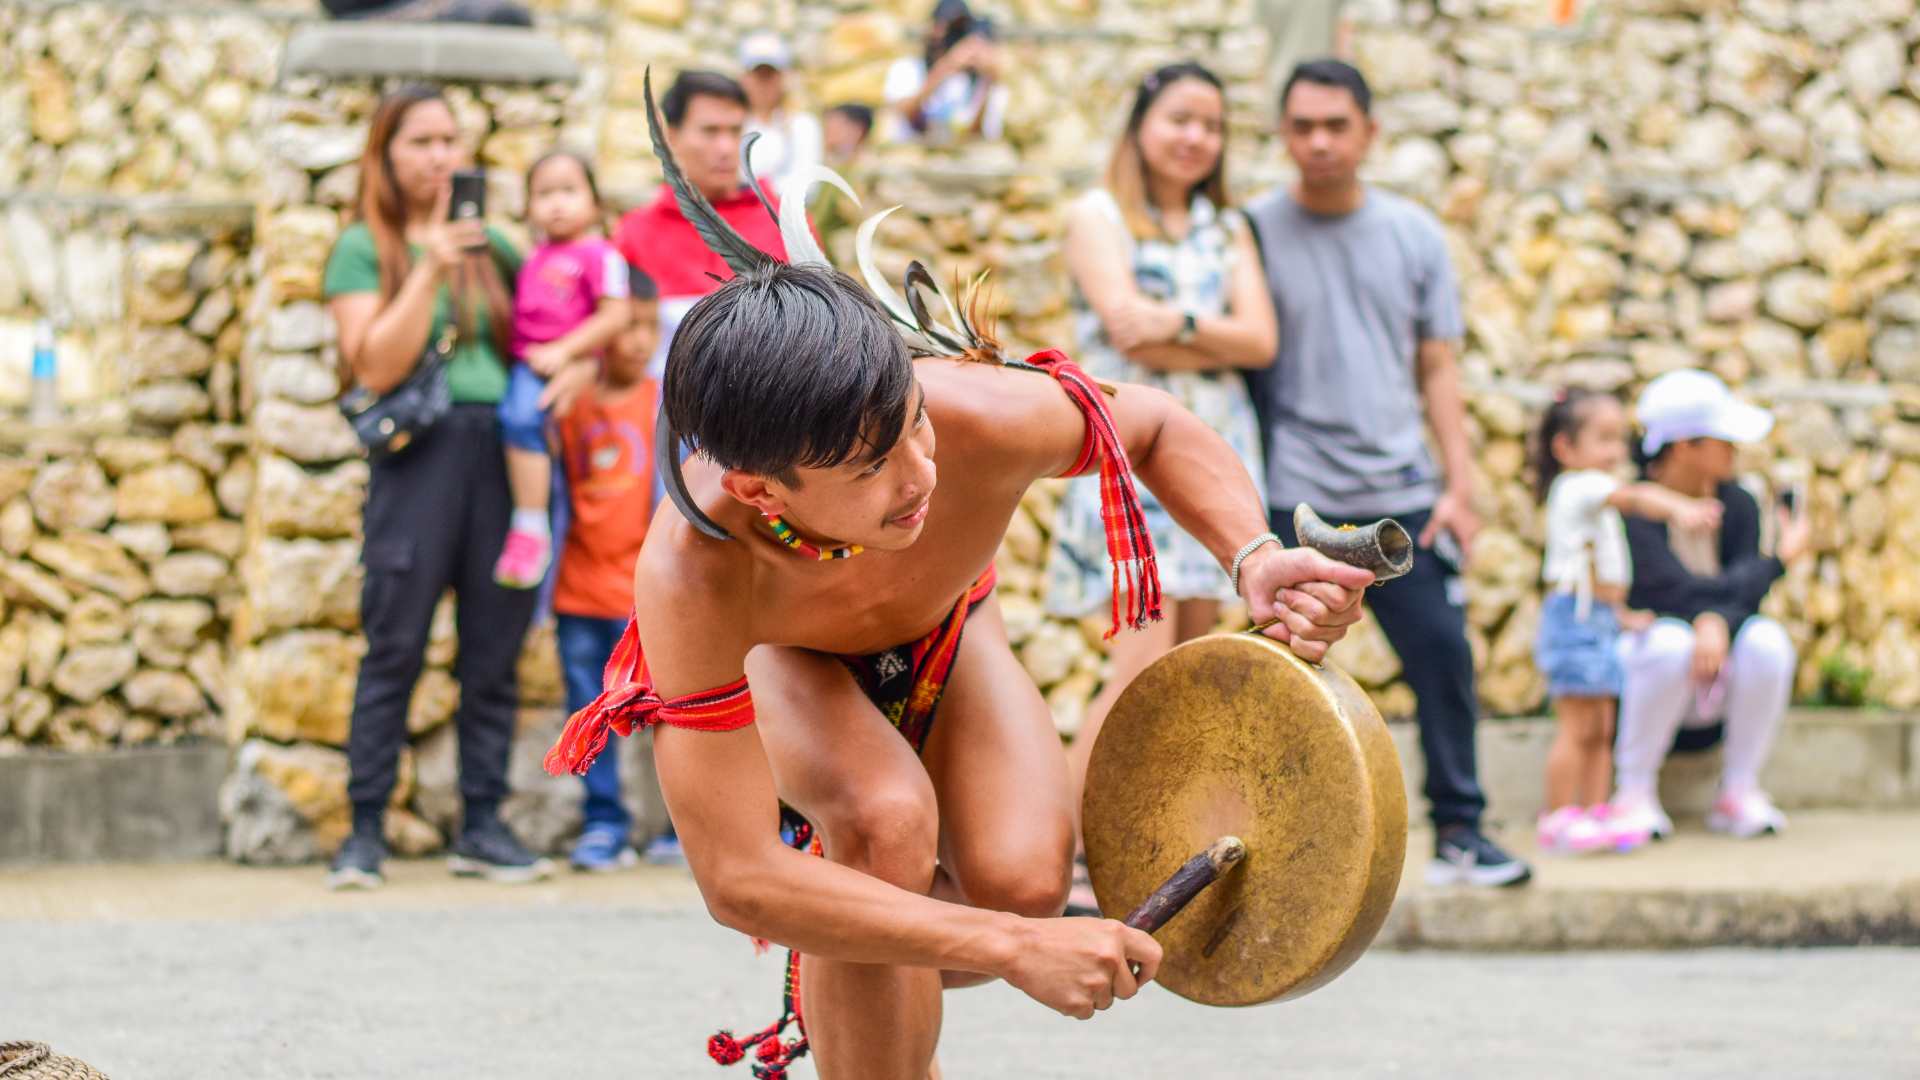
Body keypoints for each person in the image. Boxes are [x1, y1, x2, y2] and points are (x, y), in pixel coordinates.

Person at [542, 99, 1376, 1079]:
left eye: (914, 427)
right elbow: (737, 879)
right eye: (869, 471)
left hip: (949, 628)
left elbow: (1151, 427)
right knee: (883, 822)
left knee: (1022, 884)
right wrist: (1010, 954)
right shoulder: (694, 570)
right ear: (759, 490)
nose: (920, 477)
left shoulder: (974, 413)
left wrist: (1253, 555)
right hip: (788, 664)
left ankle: (859, 948)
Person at [1243, 60, 1529, 887]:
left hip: (1401, 498)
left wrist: (1460, 485)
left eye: (1337, 125)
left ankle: (1463, 834)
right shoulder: (1251, 230)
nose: (1320, 141)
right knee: (1282, 675)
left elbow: (1438, 367)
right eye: (1303, 126)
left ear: (1369, 132)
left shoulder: (1414, 233)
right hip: (1296, 495)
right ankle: (1276, 854)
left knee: (1444, 659)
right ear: (1283, 134)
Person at [1042, 62, 1277, 914]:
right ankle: (1063, 854)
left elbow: (1258, 340)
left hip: (1211, 451)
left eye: (1211, 125)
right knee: (1137, 667)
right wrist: (1202, 336)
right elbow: (1118, 327)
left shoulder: (1229, 227)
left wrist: (1172, 327)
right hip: (1131, 454)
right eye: (1180, 118)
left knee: (1190, 668)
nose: (1195, 138)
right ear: (1142, 121)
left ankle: (1152, 843)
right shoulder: (1096, 215)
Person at [322, 85, 550, 890]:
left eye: (450, 140)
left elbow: (550, 319)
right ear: (384, 155)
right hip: (416, 459)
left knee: (493, 654)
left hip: (501, 455)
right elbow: (373, 362)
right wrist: (430, 267)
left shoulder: (496, 242)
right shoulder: (364, 245)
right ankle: (363, 833)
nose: (439, 156)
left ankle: (482, 825)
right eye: (419, 141)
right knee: (394, 649)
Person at [1610, 369, 1811, 840]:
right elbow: (1663, 589)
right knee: (1669, 641)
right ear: (1684, 446)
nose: (1735, 451)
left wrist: (1717, 619)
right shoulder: (1636, 506)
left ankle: (1739, 790)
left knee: (1767, 640)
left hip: (1712, 677)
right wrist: (1778, 560)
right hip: (1643, 677)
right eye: (1723, 440)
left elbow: (1744, 590)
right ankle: (1633, 792)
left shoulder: (1738, 502)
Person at [1529, 387, 1721, 855]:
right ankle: (1558, 817)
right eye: (1604, 439)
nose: (1616, 451)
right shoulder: (1580, 486)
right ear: (1565, 448)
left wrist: (1619, 614)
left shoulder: (1596, 497)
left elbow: (1595, 565)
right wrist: (1681, 508)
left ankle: (1595, 813)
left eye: (1620, 439)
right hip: (1573, 622)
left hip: (1598, 619)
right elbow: (1635, 498)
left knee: (1602, 727)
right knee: (1577, 727)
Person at [538, 265, 662, 872]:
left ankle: (671, 828)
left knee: (665, 712)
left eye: (648, 327)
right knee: (589, 709)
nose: (637, 341)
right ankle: (603, 822)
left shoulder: (665, 403)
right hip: (577, 591)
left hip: (642, 597)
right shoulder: (573, 405)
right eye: (626, 326)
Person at [493, 150, 632, 589]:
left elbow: (615, 317)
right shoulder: (534, 256)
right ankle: (532, 530)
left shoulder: (600, 255)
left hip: (563, 366)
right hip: (529, 363)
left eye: (569, 191)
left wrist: (567, 352)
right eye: (544, 193)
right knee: (521, 426)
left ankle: (530, 528)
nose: (556, 204)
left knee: (522, 421)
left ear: (594, 201)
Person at [614, 70, 787, 382]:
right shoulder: (635, 232)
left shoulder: (783, 221)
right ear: (671, 136)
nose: (725, 147)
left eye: (735, 131)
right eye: (710, 131)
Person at [884, 0, 1008, 144]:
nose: (942, 34)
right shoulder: (907, 68)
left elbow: (975, 135)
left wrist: (988, 81)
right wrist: (946, 67)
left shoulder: (970, 81)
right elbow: (905, 113)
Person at [738, 31, 824, 196]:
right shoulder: (730, 124)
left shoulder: (803, 124)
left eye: (770, 76)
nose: (763, 84)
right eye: (757, 76)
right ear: (744, 78)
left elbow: (808, 187)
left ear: (784, 78)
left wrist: (747, 192)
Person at [822, 103, 875, 168]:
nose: (826, 132)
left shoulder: (868, 167)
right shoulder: (826, 160)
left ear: (856, 130)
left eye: (834, 127)